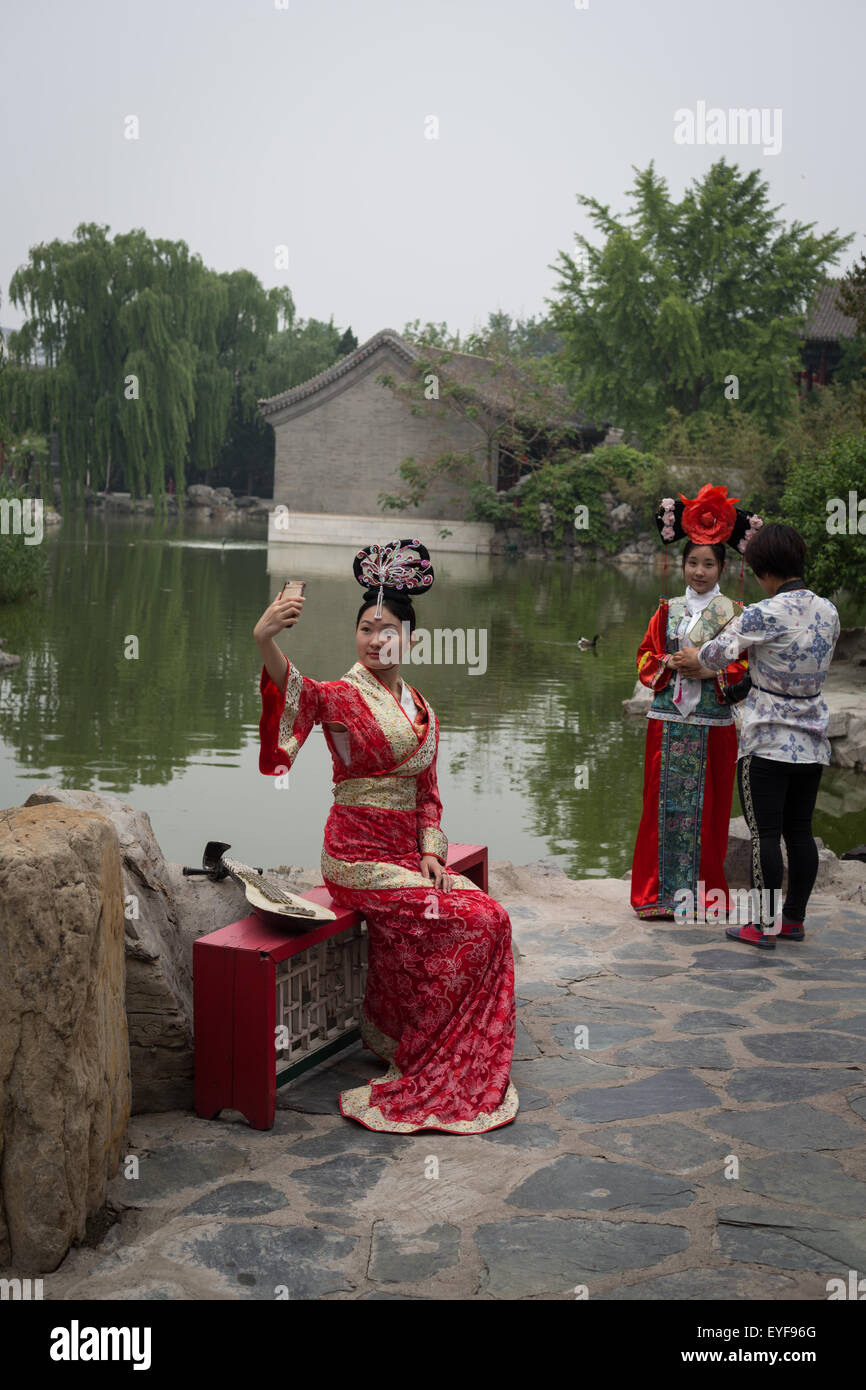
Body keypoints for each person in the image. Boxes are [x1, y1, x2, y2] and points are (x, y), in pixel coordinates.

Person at [253, 538, 519, 1133]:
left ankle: (427, 1040)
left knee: (487, 916)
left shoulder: (420, 706)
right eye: (366, 628)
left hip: (406, 857)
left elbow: (428, 795)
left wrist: (430, 850)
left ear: (411, 638)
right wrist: (266, 639)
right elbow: (302, 692)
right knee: (481, 921)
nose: (376, 639)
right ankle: (433, 1049)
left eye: (388, 628)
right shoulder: (345, 697)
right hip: (355, 858)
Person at [673, 522, 841, 950]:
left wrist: (694, 656)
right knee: (799, 832)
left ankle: (761, 925)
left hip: (766, 740)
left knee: (765, 834)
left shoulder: (764, 612)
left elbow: (714, 653)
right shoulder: (828, 611)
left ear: (762, 569)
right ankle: (793, 921)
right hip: (812, 740)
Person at [630, 486, 755, 921]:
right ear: (681, 565)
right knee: (660, 805)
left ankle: (703, 897)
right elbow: (645, 656)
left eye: (708, 563)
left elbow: (743, 668)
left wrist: (708, 669)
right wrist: (669, 663)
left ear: (722, 566)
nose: (698, 571)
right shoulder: (667, 610)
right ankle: (656, 896)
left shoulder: (736, 612)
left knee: (710, 809)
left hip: (714, 722)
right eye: (692, 562)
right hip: (669, 718)